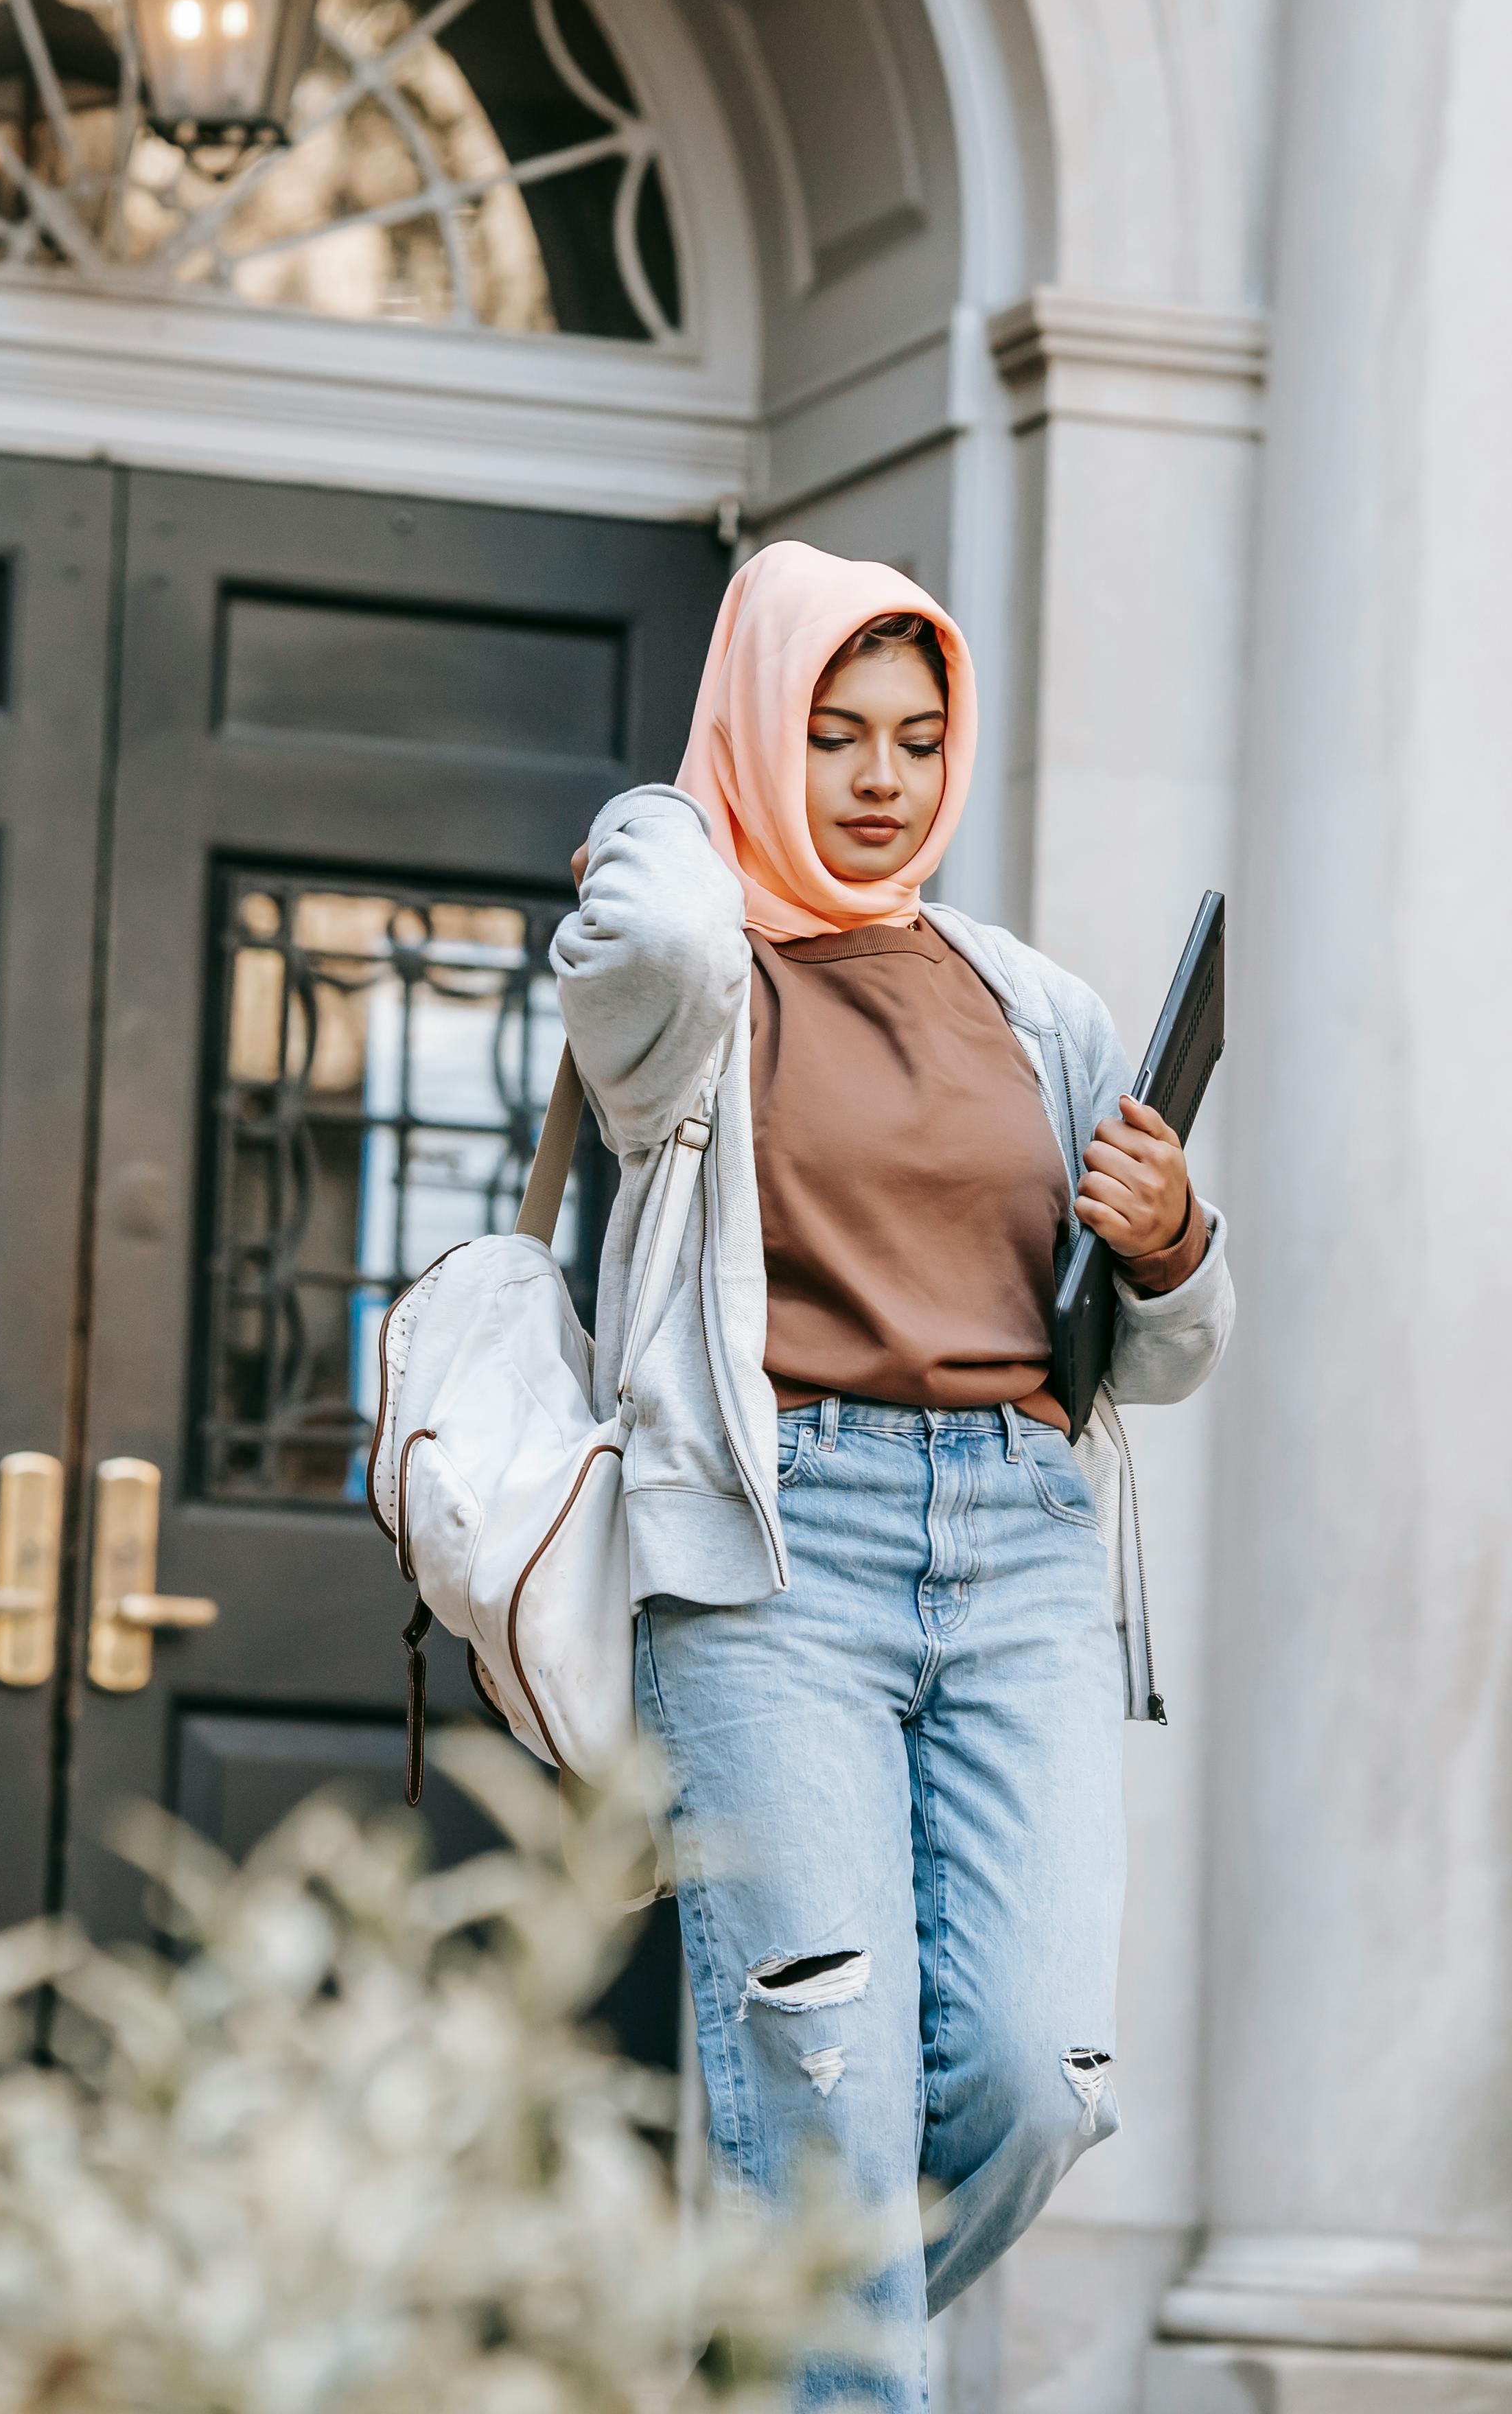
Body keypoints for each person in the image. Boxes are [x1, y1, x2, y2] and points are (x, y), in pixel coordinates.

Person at [550, 540, 1233, 2406]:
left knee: (1030, 2081)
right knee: (827, 2080)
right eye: (830, 730)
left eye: (919, 740)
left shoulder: (1033, 1006)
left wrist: (1171, 1238)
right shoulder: (684, 983)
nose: (878, 777)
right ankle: (820, 2366)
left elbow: (1170, 1349)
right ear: (759, 733)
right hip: (782, 1561)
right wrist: (692, 804)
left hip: (1020, 1550)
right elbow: (664, 931)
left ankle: (772, 2356)